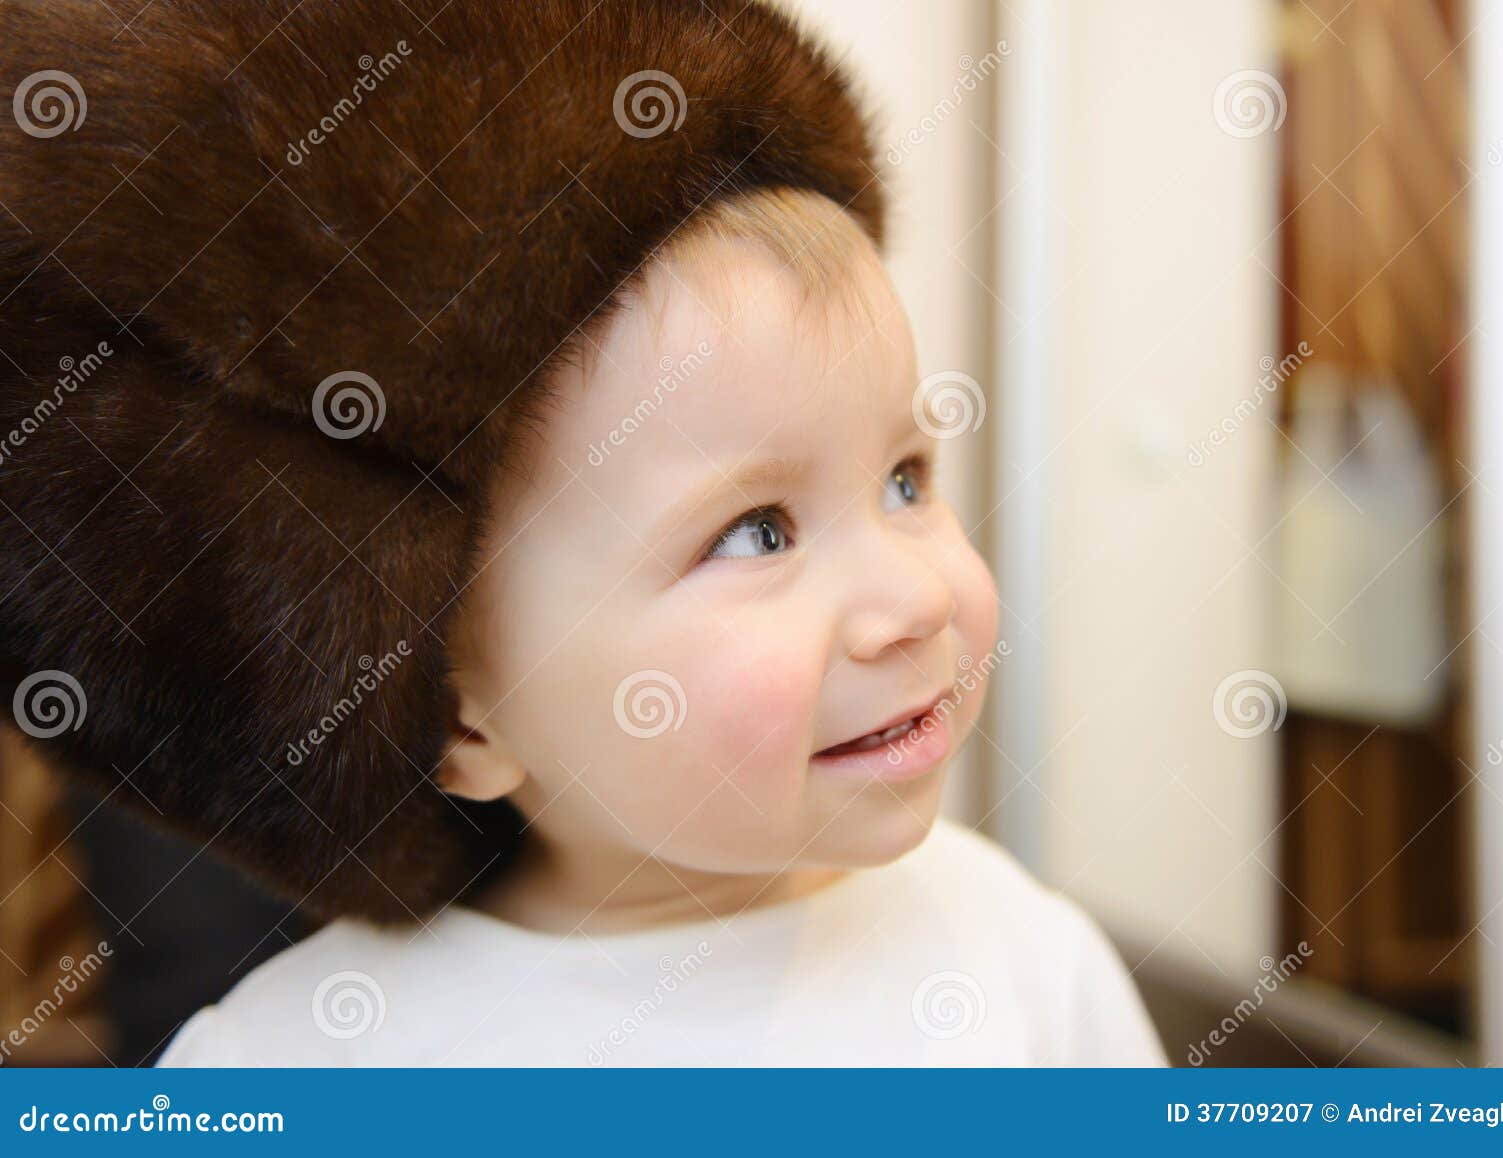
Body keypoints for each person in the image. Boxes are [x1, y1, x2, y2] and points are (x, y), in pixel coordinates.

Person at [0, 0, 1163, 1066]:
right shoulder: (302, 1067)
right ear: (454, 713)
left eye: (906, 479)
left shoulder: (1021, 967)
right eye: (757, 532)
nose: (914, 598)